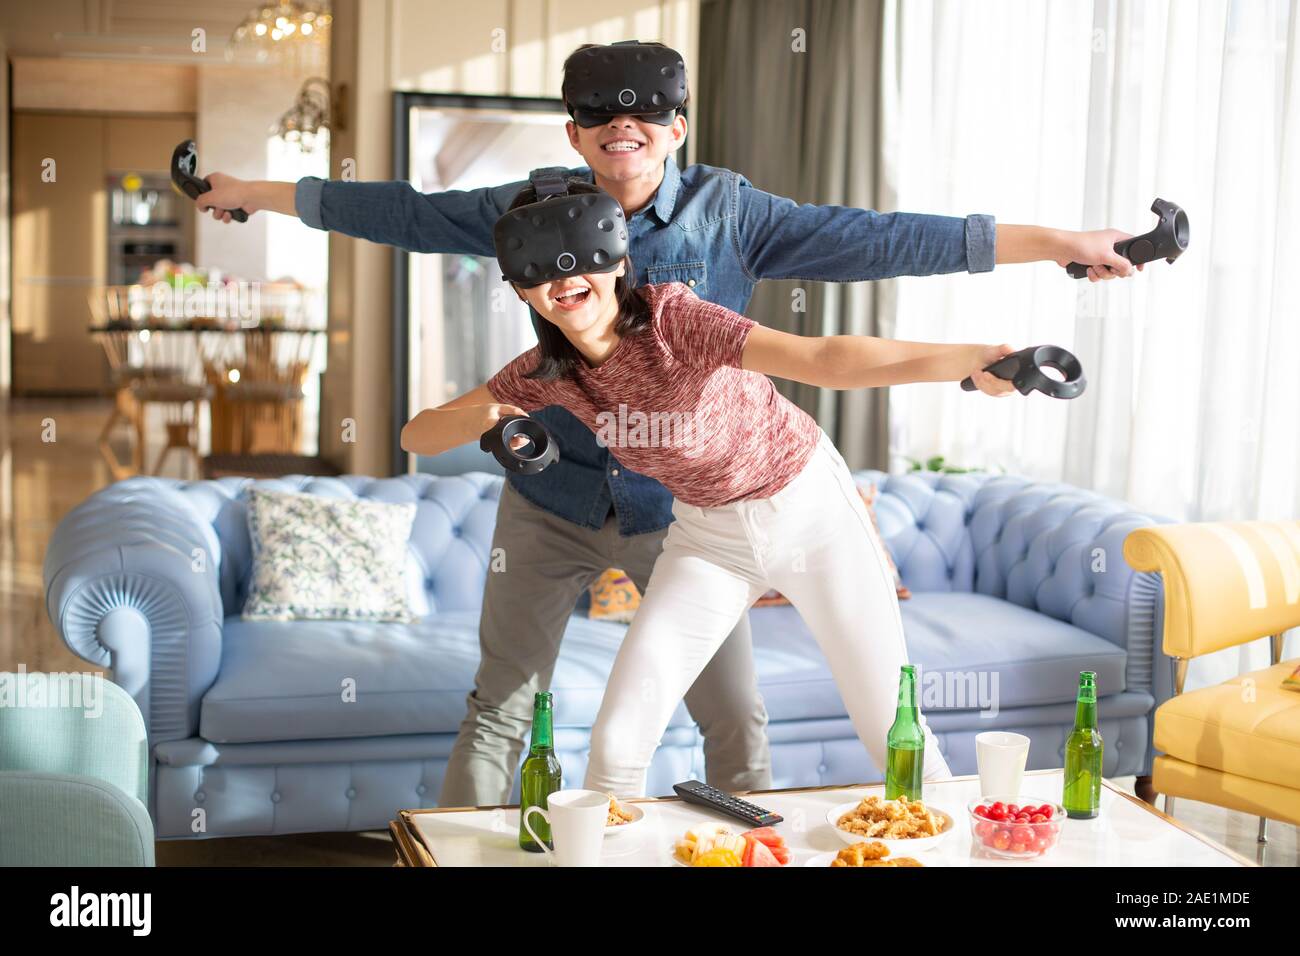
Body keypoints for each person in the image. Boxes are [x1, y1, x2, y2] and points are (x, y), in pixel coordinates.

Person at [194, 40, 1140, 807]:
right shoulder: (529, 247)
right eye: (599, 113)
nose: (622, 127)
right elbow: (399, 212)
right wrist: (256, 192)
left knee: (738, 717)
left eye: (644, 110)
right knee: (522, 710)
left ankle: (750, 840)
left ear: (677, 125)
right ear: (572, 133)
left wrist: (1056, 256)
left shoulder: (713, 251)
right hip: (554, 493)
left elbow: (874, 267)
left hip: (695, 510)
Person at [402, 177, 1024, 795]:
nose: (565, 279)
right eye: (540, 268)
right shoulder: (543, 375)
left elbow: (820, 358)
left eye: (582, 258)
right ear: (519, 287)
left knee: (891, 731)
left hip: (809, 513)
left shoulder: (674, 319)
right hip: (709, 538)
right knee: (617, 743)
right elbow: (417, 436)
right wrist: (487, 417)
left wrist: (968, 359)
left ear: (618, 260)